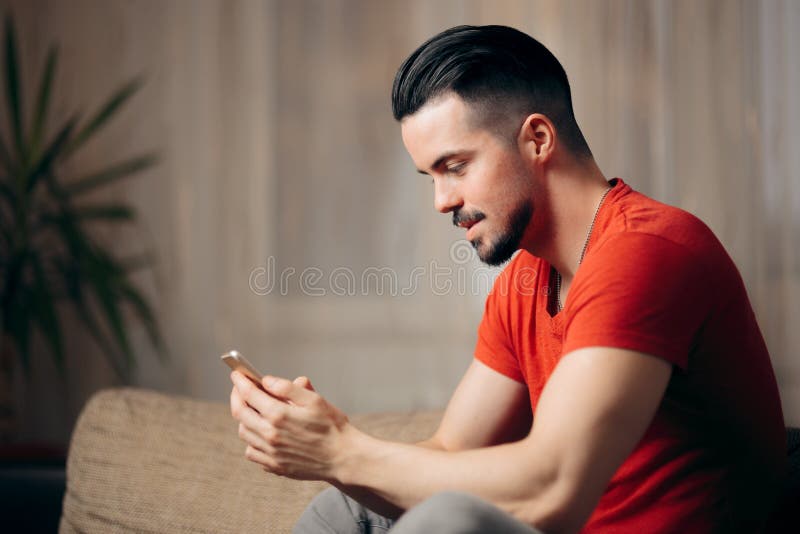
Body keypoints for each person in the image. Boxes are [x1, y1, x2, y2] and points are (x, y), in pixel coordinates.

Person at [229, 25, 786, 533]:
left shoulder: (647, 252)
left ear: (538, 139)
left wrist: (341, 453)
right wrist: (320, 441)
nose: (443, 201)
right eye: (430, 178)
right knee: (346, 508)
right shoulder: (524, 280)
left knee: (446, 517)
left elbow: (554, 488)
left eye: (456, 166)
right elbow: (451, 450)